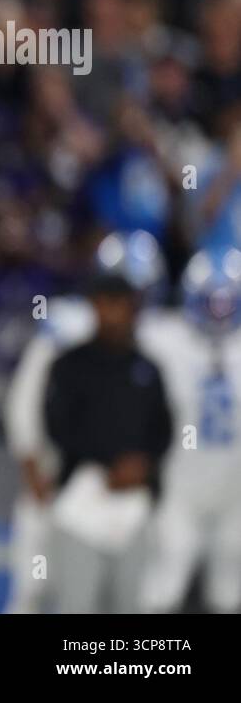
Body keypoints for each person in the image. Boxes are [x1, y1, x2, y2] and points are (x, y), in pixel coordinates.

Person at [42, 269, 173, 614]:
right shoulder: (70, 364)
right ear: (94, 307)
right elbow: (57, 427)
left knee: (130, 606)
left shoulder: (147, 368)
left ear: (133, 309)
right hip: (82, 500)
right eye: (105, 304)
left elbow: (164, 429)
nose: (113, 313)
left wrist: (142, 465)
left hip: (132, 503)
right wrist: (109, 464)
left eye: (121, 305)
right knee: (77, 605)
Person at [139, 247, 241, 613]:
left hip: (235, 490)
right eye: (210, 301)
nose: (218, 311)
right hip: (179, 484)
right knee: (164, 583)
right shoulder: (167, 337)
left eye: (225, 301)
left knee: (229, 592)